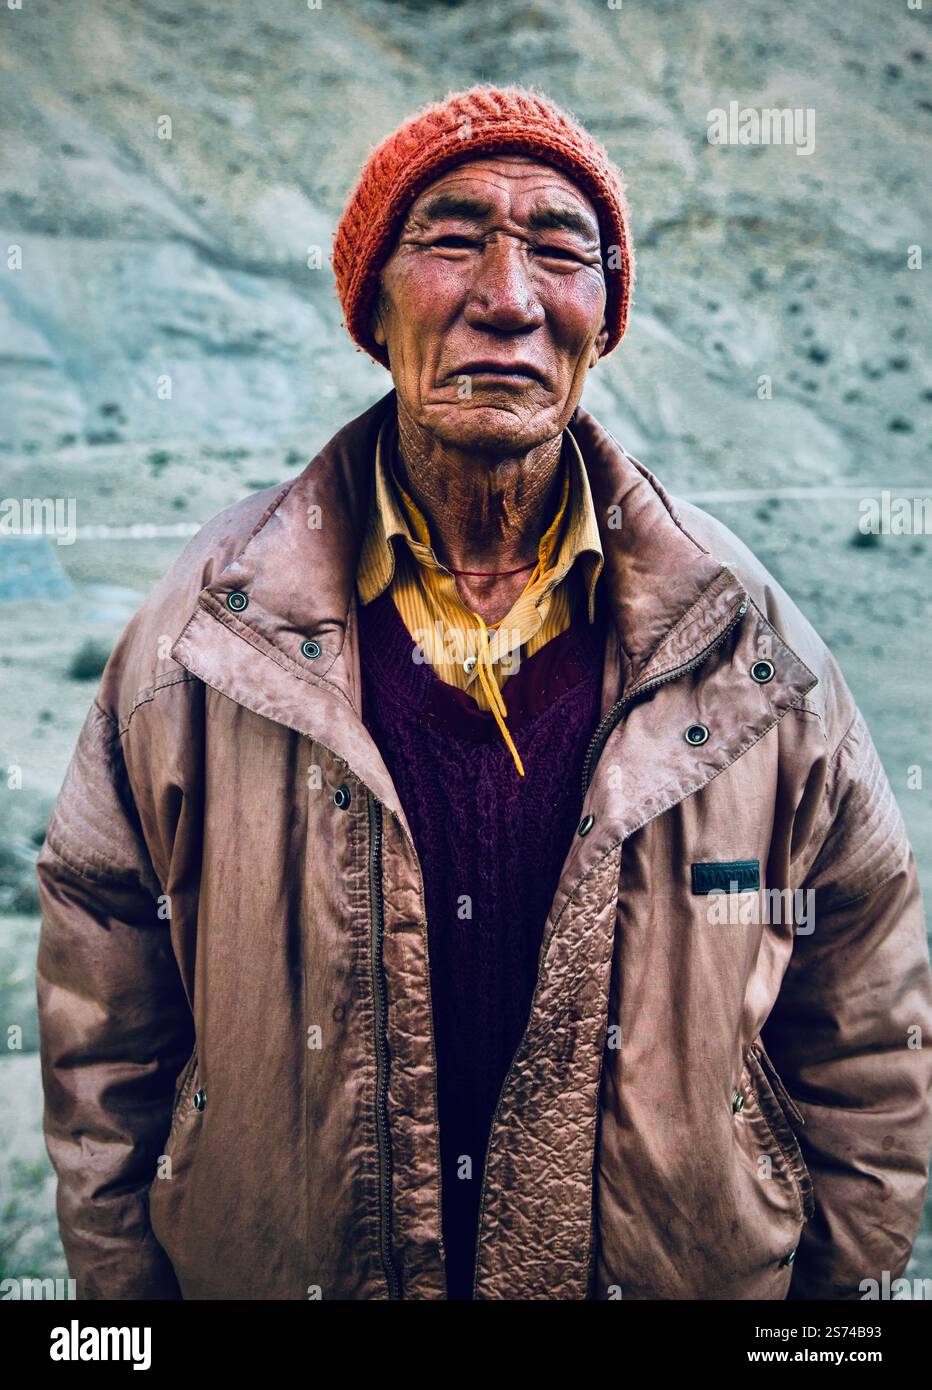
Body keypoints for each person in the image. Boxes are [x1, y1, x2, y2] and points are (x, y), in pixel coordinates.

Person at [36, 84, 932, 1301]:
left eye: (558, 250)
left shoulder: (751, 652)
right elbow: (105, 1029)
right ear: (372, 309)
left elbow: (865, 1014)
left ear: (601, 319)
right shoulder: (199, 645)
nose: (507, 297)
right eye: (450, 239)